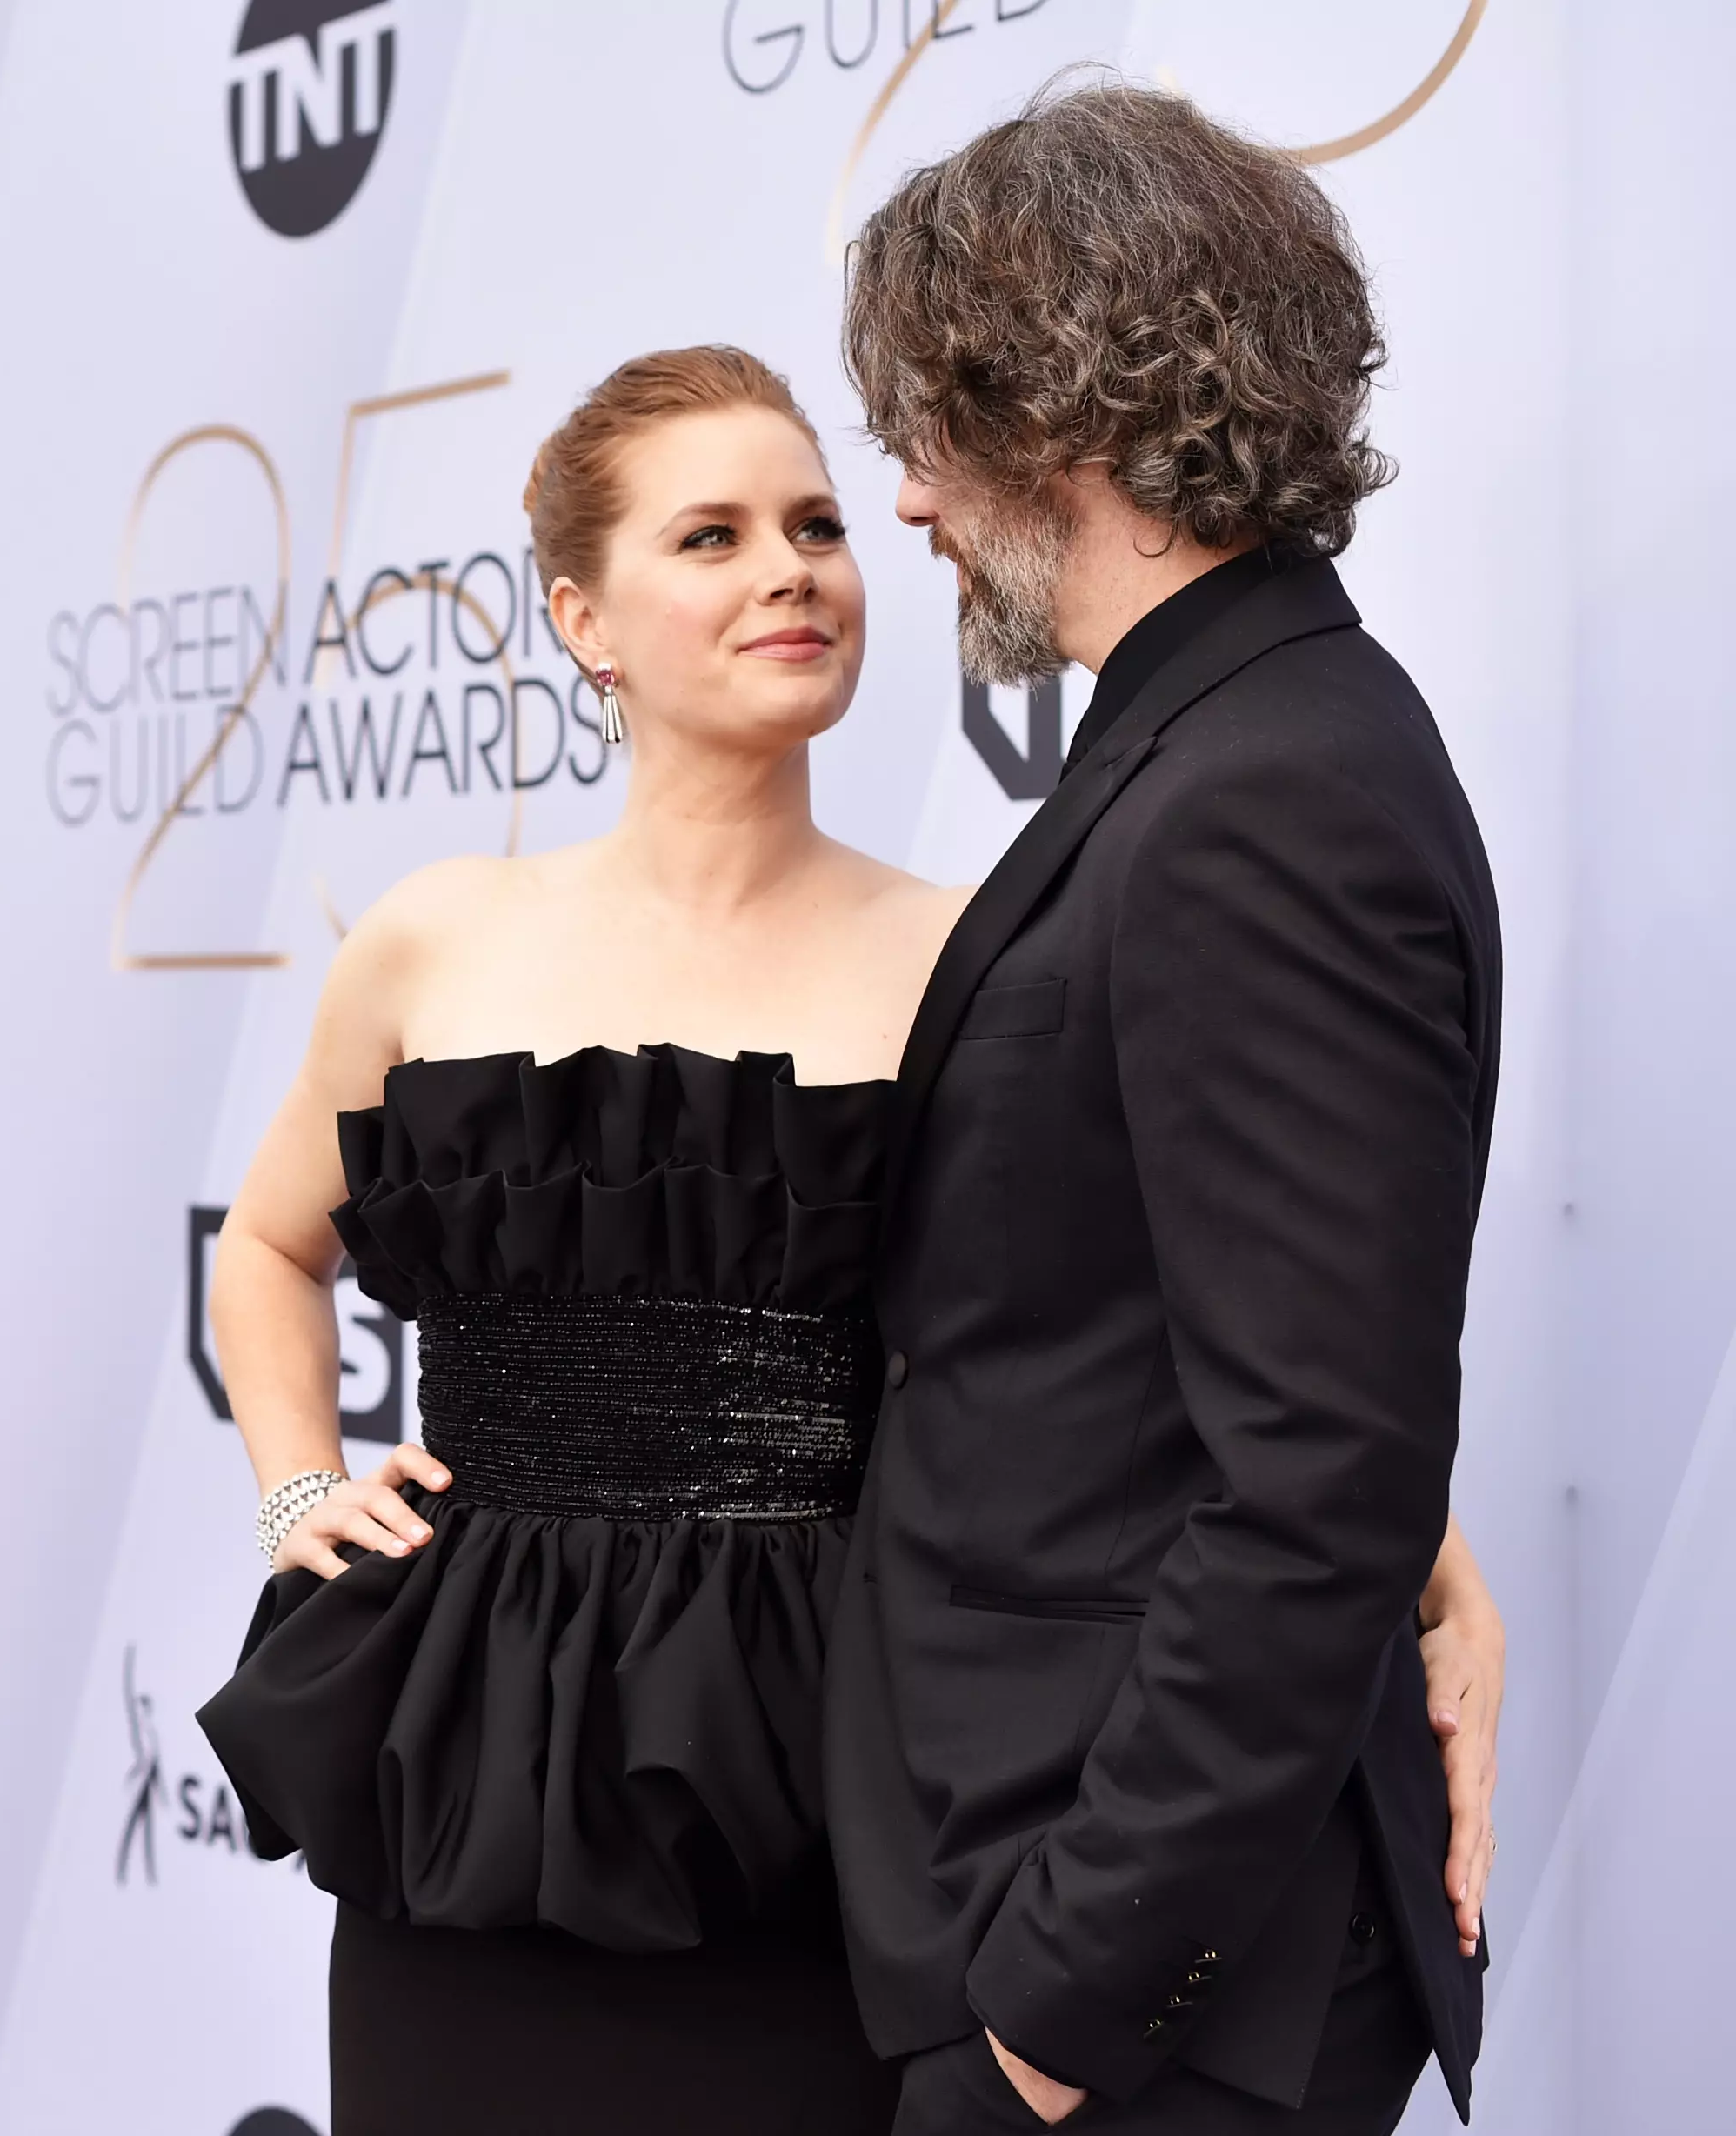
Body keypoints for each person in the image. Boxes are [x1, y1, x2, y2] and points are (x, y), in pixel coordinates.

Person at [191, 345, 1504, 2133]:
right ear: (584, 617)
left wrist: (1434, 1566)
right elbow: (267, 1248)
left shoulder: (978, 956)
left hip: (846, 1788)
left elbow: (1168, 1323)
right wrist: (295, 1495)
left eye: (816, 523)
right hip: (483, 1777)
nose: (792, 567)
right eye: (712, 536)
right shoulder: (432, 944)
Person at [824, 84, 1501, 2133]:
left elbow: (1315, 1484)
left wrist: (1067, 2000)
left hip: (1151, 2009)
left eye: (925, 430)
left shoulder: (1259, 790)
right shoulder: (1221, 738)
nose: (914, 506)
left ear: (1056, 404)